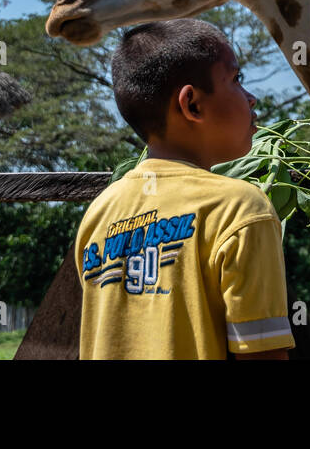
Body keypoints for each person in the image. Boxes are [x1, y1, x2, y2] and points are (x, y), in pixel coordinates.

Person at [77, 18, 295, 359]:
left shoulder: (100, 212)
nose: (251, 99)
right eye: (237, 79)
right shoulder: (240, 209)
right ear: (191, 104)